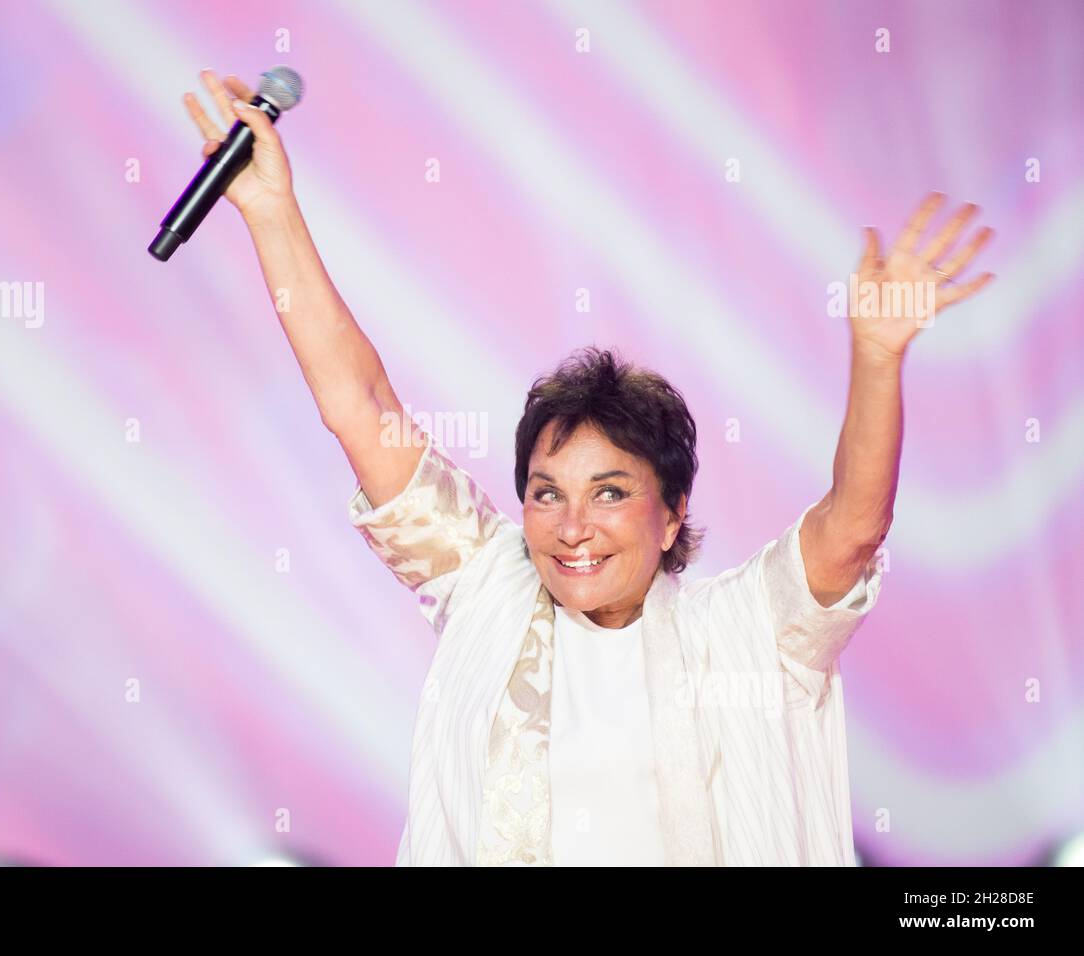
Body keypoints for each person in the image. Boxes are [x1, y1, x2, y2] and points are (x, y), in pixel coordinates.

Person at [183, 71, 996, 866]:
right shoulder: (488, 589)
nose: (573, 528)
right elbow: (360, 405)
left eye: (611, 493)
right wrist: (271, 212)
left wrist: (876, 358)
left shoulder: (748, 631)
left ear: (672, 512)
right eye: (547, 494)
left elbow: (853, 531)